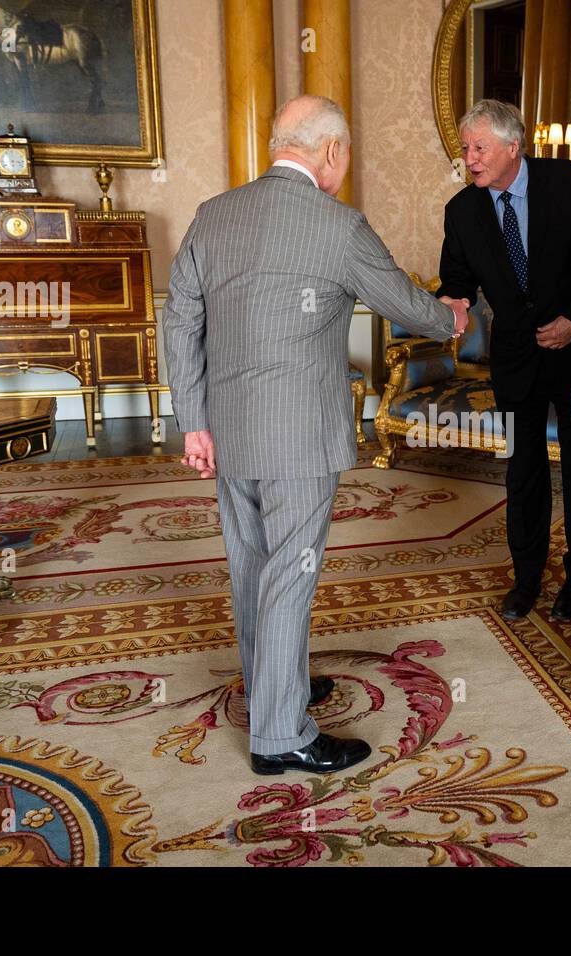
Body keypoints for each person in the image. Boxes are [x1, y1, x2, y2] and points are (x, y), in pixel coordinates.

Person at [162, 95, 469, 776]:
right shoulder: (338, 225)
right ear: (330, 152)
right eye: (347, 153)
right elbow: (403, 303)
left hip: (231, 428)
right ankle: (280, 736)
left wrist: (193, 422)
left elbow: (179, 322)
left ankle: (275, 686)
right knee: (288, 578)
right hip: (297, 437)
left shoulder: (215, 216)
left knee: (253, 568)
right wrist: (450, 317)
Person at [437, 99, 571, 623]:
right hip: (516, 360)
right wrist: (453, 304)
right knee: (524, 471)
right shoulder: (462, 210)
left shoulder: (570, 183)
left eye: (479, 148)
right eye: (466, 148)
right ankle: (527, 579)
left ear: (512, 147)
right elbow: (456, 282)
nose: (468, 158)